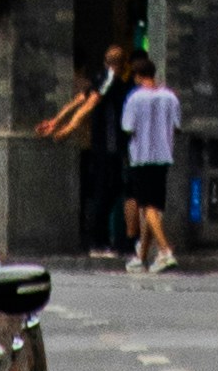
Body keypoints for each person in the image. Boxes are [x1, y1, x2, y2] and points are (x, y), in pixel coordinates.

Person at [37, 37, 138, 263]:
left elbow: (77, 100)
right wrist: (68, 127)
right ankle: (99, 242)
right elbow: (89, 103)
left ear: (104, 61)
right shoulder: (110, 79)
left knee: (109, 191)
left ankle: (102, 240)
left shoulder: (102, 77)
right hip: (108, 147)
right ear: (122, 65)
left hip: (106, 147)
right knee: (106, 192)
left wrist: (57, 121)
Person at [118, 38, 183, 274]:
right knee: (154, 205)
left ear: (136, 76)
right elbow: (176, 126)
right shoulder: (170, 97)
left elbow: (127, 128)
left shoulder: (134, 98)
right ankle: (141, 256)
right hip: (164, 155)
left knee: (148, 207)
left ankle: (165, 251)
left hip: (142, 156)